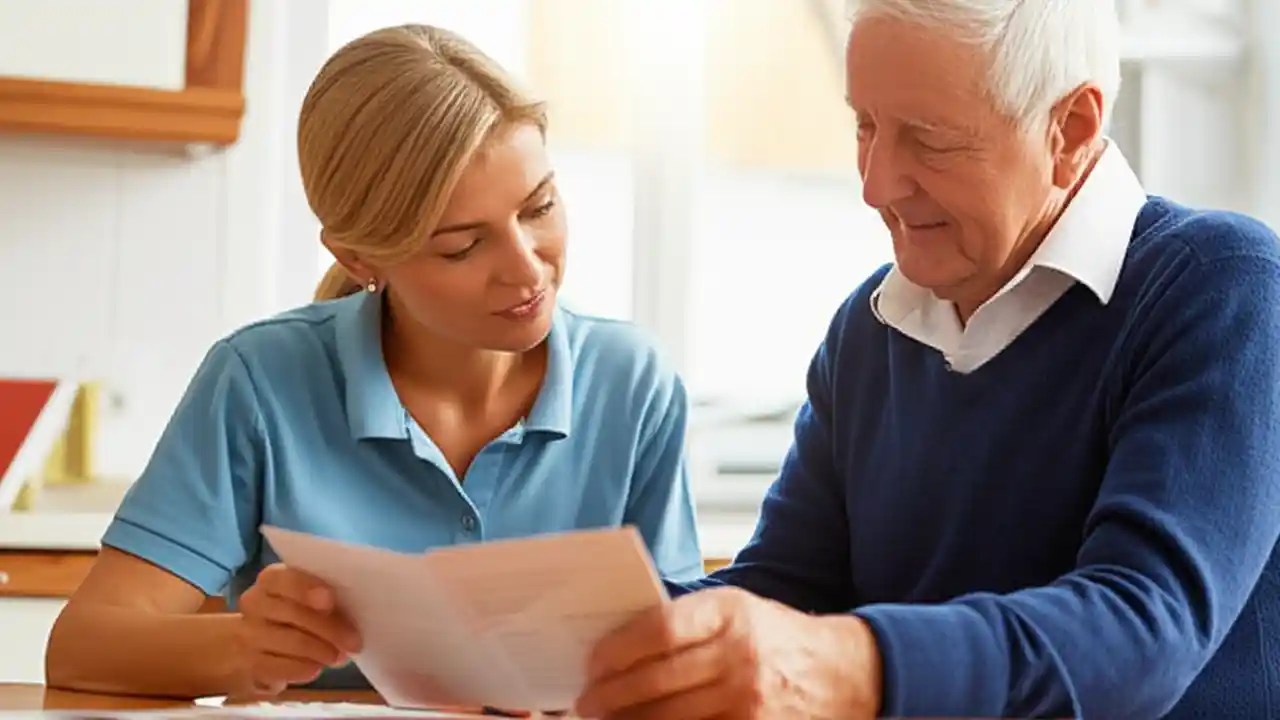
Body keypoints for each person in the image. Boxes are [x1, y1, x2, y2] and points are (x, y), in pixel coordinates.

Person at [574, 2, 1280, 719]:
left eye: (930, 140)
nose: (875, 186)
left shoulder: (1222, 287)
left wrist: (852, 665)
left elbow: (1139, 630)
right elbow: (782, 589)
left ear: (1070, 130)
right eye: (866, 126)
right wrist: (558, 654)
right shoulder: (869, 328)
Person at [45, 24, 702, 700]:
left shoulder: (632, 380)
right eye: (461, 246)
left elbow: (679, 652)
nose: (527, 268)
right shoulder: (260, 380)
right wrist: (247, 644)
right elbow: (85, 648)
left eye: (539, 208)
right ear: (360, 260)